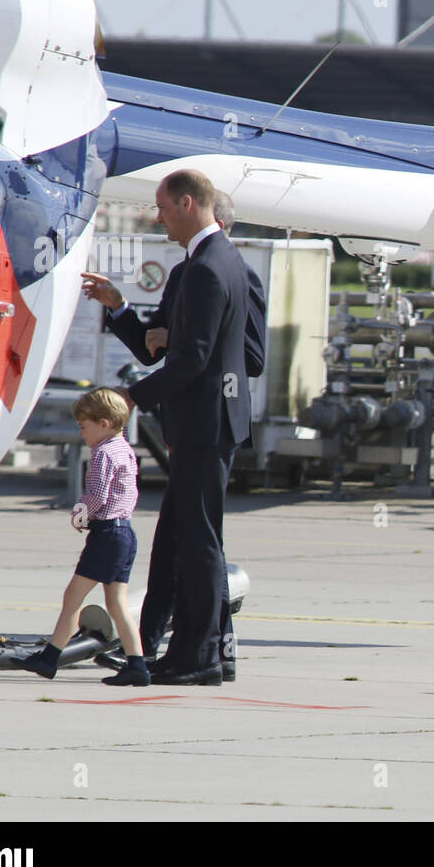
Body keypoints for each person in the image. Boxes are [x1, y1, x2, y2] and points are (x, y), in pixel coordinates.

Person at [82, 189, 266, 681]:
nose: (155, 215)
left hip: (208, 420)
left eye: (162, 207)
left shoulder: (216, 268)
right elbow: (155, 347)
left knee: (198, 541)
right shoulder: (193, 269)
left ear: (189, 204)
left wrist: (133, 396)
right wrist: (119, 307)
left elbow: (216, 356)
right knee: (181, 540)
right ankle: (176, 653)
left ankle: (202, 656)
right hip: (193, 421)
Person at [11, 388, 149, 686]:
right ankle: (137, 664)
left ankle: (49, 659)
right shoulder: (124, 448)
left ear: (104, 423)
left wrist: (80, 513)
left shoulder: (103, 453)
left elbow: (98, 494)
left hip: (108, 534)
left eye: (83, 427)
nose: (81, 433)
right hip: (125, 533)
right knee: (116, 603)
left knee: (73, 598)